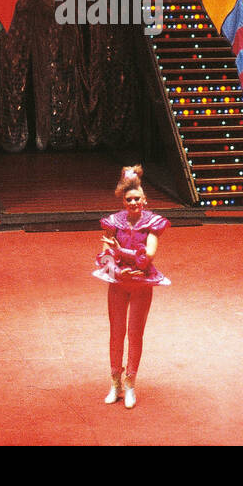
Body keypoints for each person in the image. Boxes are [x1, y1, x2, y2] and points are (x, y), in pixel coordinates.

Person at [93, 165, 169, 410]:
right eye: (129, 199)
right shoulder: (113, 222)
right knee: (117, 332)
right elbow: (104, 255)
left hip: (141, 285)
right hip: (118, 282)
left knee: (135, 334)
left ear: (144, 200)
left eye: (137, 198)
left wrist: (120, 251)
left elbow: (148, 256)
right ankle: (114, 382)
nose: (133, 202)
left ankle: (130, 384)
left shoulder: (152, 224)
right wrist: (117, 265)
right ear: (124, 201)